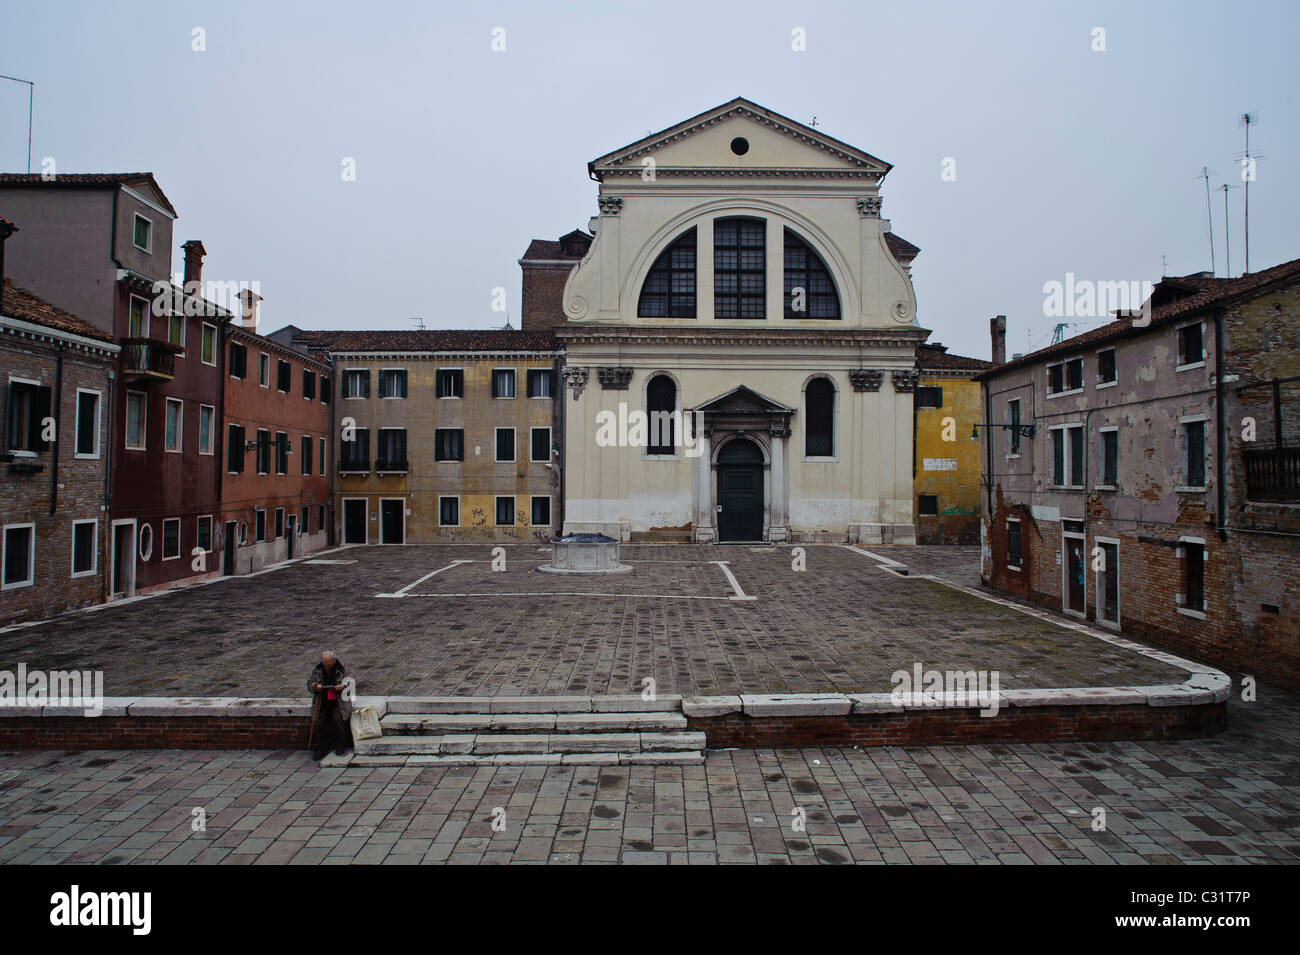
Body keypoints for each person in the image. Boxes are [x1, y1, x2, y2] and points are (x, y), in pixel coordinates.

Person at [307, 652, 352, 760]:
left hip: (337, 701)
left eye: (328, 664)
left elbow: (350, 682)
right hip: (323, 700)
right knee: (319, 723)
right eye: (324, 664)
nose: (326, 666)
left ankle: (340, 745)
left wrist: (342, 686)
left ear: (333, 661)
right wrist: (316, 687)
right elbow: (310, 684)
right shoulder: (317, 670)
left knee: (338, 720)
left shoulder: (341, 669)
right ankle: (319, 748)